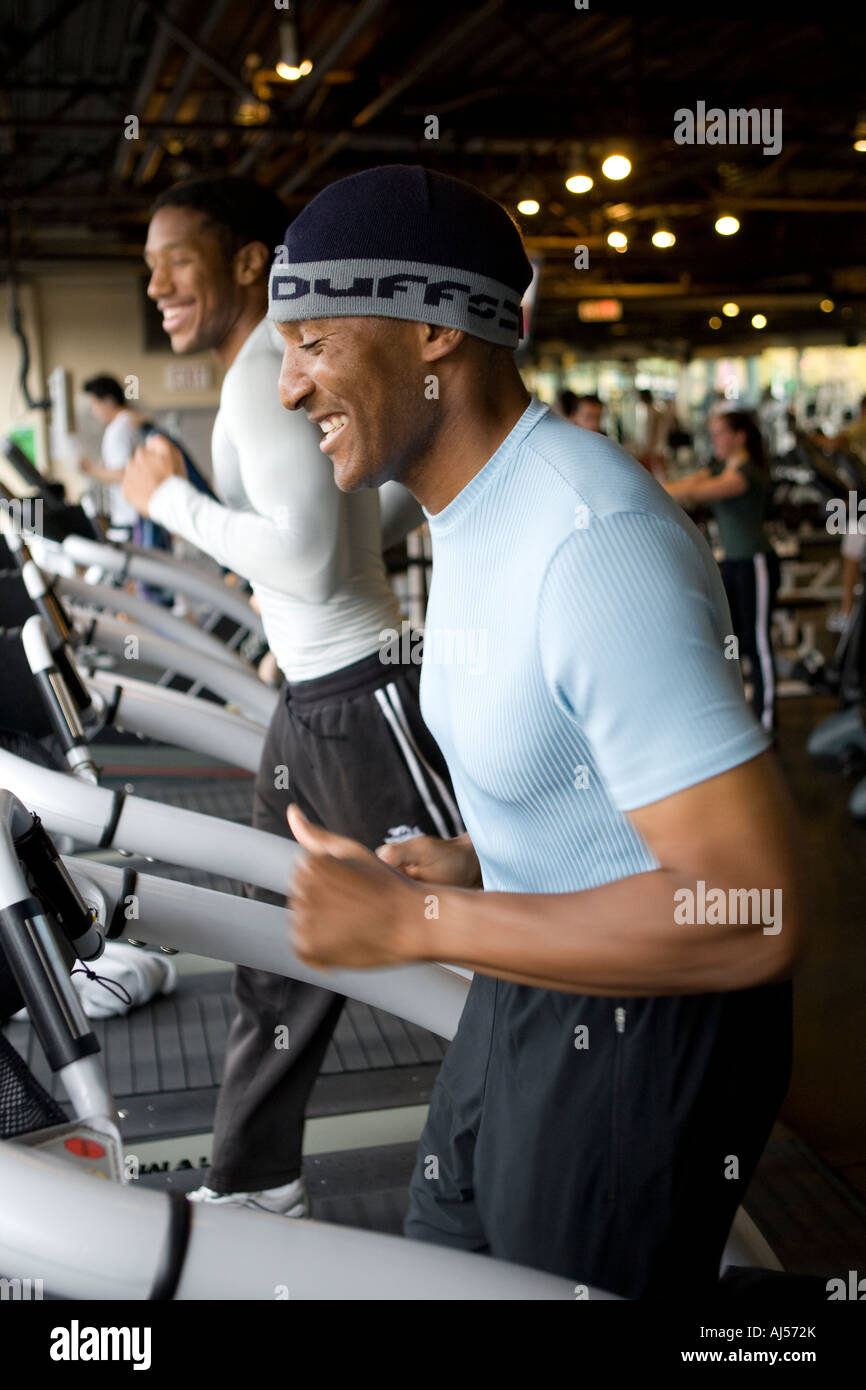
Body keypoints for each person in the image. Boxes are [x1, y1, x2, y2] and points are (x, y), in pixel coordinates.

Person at [266, 164, 803, 1299]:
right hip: (530, 974)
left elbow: (750, 911)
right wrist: (476, 858)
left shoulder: (588, 540)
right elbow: (590, 776)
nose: (285, 388)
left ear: (432, 335)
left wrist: (417, 917)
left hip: (639, 1037)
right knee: (449, 1259)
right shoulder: (469, 510)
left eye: (311, 340)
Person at [122, 174, 454, 1219]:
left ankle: (616, 1143)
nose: (158, 283)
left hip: (360, 702)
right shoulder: (267, 369)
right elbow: (358, 517)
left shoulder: (266, 362)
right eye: (147, 266)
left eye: (178, 257)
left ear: (249, 260)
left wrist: (165, 498)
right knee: (283, 942)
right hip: (312, 701)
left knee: (475, 929)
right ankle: (257, 1176)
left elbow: (309, 557)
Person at [663, 410, 780, 734]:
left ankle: (767, 721)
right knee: (733, 639)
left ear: (739, 436)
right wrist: (658, 486)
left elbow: (697, 492)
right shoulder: (718, 466)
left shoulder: (744, 473)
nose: (714, 441)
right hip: (731, 562)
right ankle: (740, 715)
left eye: (719, 434)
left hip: (755, 562)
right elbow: (687, 484)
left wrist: (654, 489)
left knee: (757, 643)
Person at [80, 376, 147, 541]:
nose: (94, 411)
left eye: (95, 404)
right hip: (142, 515)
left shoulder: (118, 429)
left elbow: (122, 474)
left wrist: (91, 470)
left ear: (109, 401)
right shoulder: (133, 420)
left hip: (130, 520)